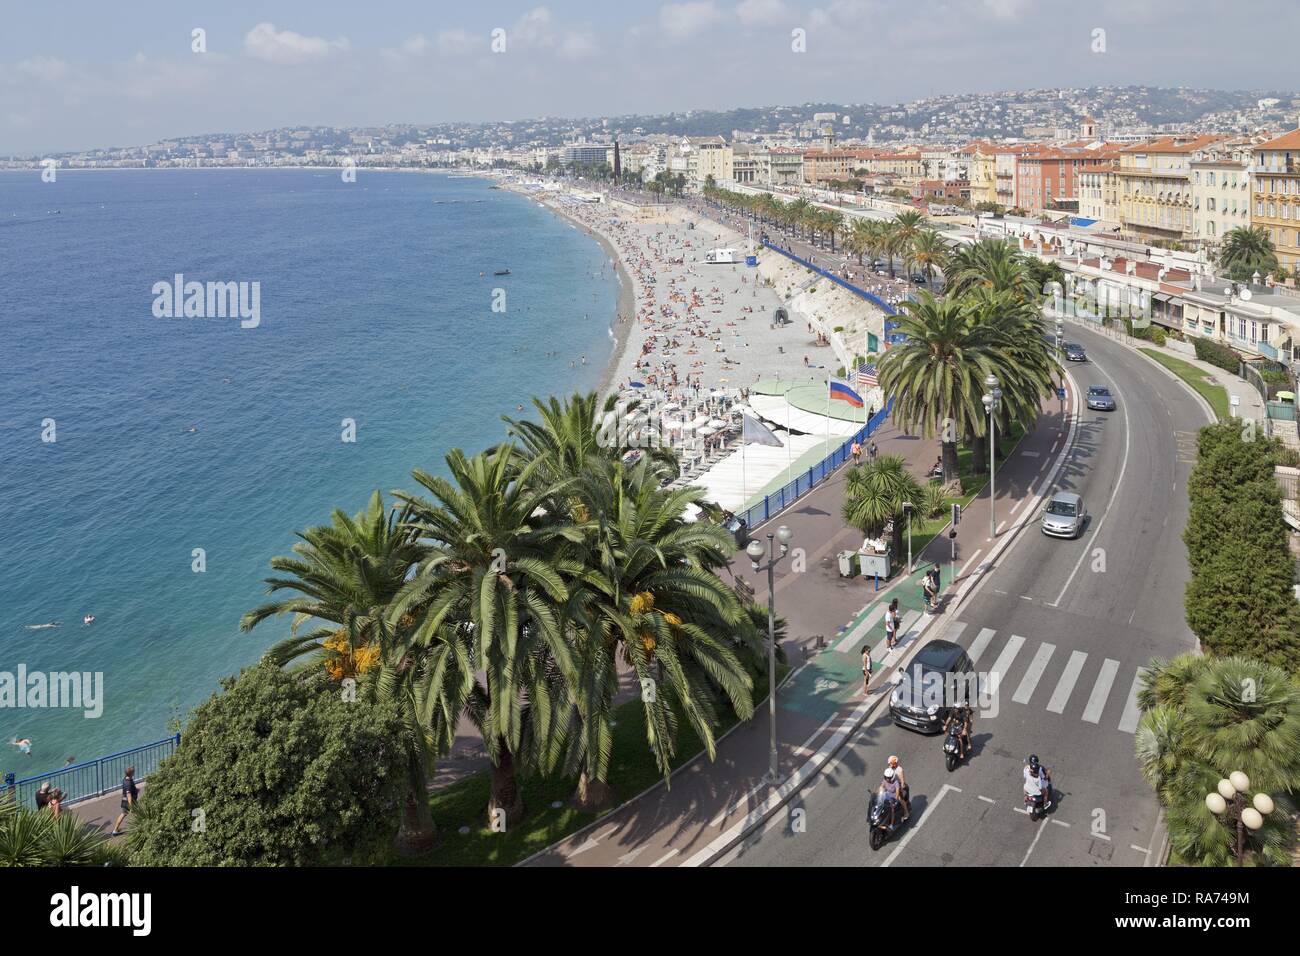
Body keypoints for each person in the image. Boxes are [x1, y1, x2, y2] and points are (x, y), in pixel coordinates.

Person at [111, 766, 138, 837]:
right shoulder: (128, 783)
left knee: (123, 814)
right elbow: (129, 795)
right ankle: (115, 831)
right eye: (133, 772)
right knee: (134, 813)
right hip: (130, 802)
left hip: (125, 800)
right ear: (131, 773)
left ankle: (115, 830)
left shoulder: (125, 779)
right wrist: (131, 806)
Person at [887, 754, 910, 820]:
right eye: (889, 763)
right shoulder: (889, 769)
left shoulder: (899, 770)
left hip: (900, 788)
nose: (889, 765)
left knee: (900, 799)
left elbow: (902, 781)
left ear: (894, 763)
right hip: (892, 787)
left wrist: (901, 787)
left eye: (891, 763)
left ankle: (906, 812)